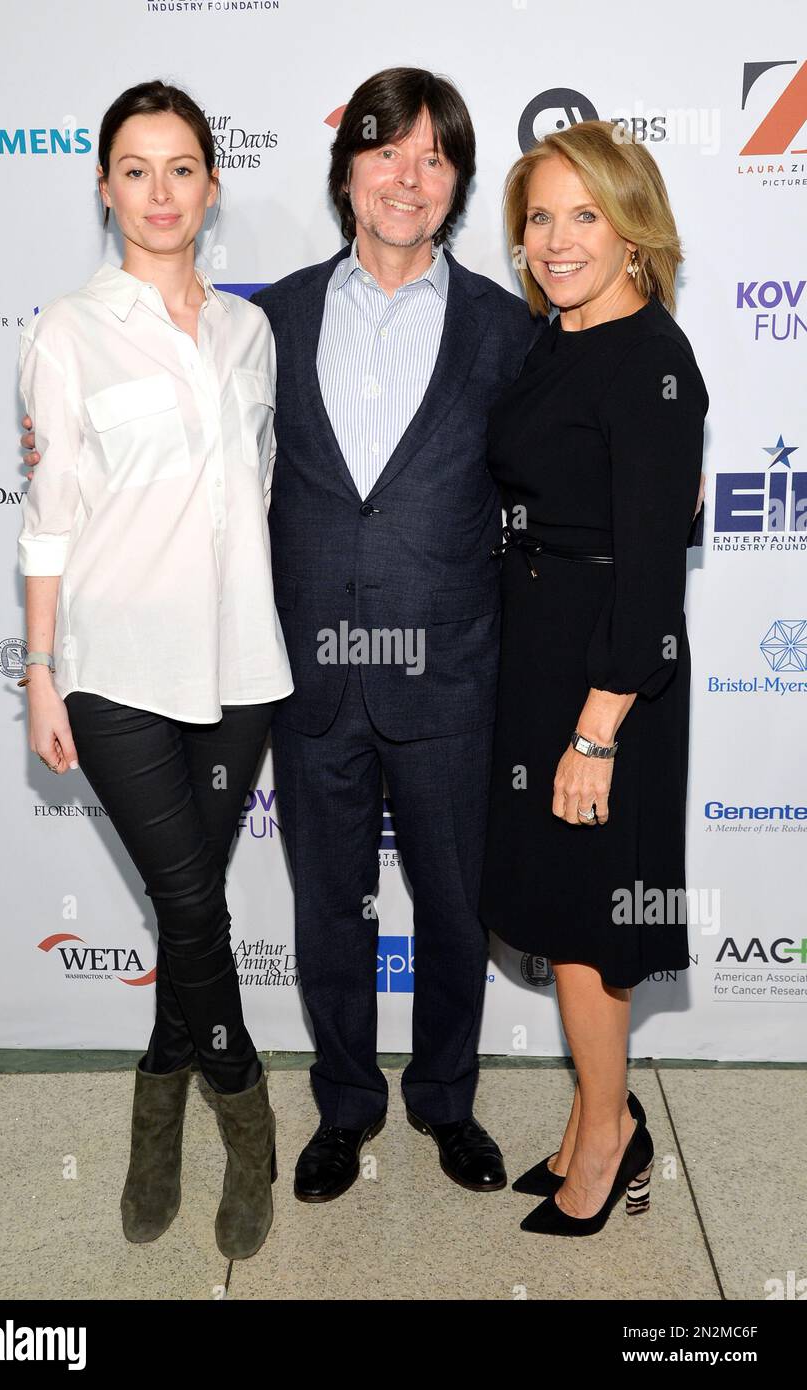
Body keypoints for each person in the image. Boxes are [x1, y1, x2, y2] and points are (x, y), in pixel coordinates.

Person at [247, 68, 543, 1201]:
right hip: (312, 676)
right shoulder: (267, 320)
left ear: (456, 182)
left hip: (453, 677)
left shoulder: (506, 329)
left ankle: (447, 1099)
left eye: (432, 158)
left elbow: (546, 501)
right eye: (385, 153)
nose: (406, 177)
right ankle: (343, 1106)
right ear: (347, 173)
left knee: (454, 901)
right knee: (327, 905)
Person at [16, 79, 292, 1260]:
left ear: (212, 186)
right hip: (116, 669)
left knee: (188, 914)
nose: (160, 191)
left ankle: (158, 1100)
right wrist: (39, 670)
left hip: (240, 668)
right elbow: (48, 515)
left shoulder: (248, 331)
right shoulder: (66, 332)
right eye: (136, 169)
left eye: (181, 168)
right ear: (104, 187)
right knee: (191, 902)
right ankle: (246, 1112)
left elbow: (260, 487)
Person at [478, 119, 709, 1235]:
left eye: (584, 216)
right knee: (562, 912)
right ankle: (589, 1115)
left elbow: (654, 563)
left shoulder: (651, 361)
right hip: (540, 656)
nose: (556, 240)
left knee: (587, 923)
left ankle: (607, 1141)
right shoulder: (556, 338)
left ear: (632, 234)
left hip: (606, 675)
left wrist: (597, 728)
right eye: (537, 217)